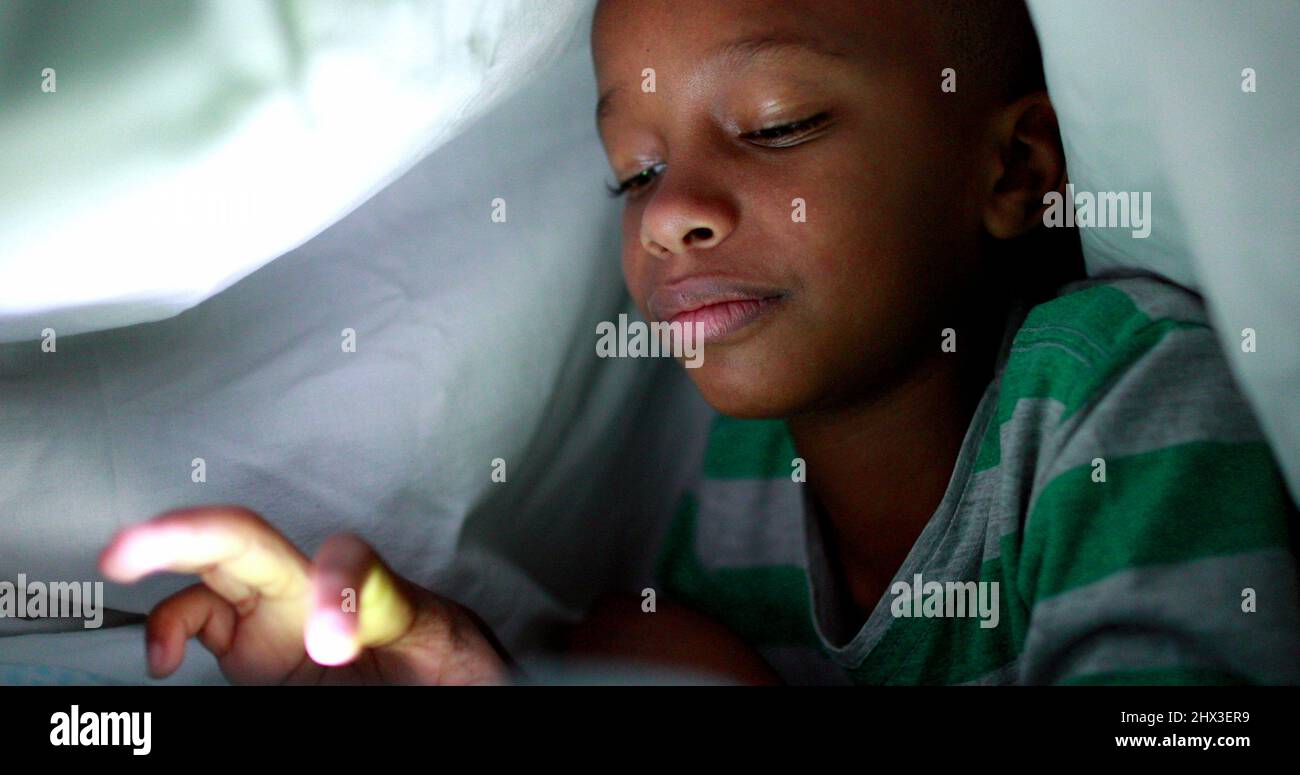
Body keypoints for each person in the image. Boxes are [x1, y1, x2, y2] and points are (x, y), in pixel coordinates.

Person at [99, 0, 1299, 685]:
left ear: (1012, 167)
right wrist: (470, 665)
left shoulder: (1119, 401)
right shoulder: (726, 500)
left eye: (778, 125)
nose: (669, 211)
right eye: (636, 167)